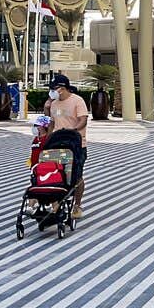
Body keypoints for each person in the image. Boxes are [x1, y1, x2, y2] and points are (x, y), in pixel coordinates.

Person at [45, 74, 90, 214]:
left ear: (62, 88)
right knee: (56, 173)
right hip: (58, 144)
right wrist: (46, 139)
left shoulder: (77, 101)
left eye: (54, 88)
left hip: (76, 144)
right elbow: (52, 123)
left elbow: (83, 119)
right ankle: (56, 202)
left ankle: (77, 204)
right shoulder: (53, 103)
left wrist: (74, 131)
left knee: (76, 175)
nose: (52, 91)